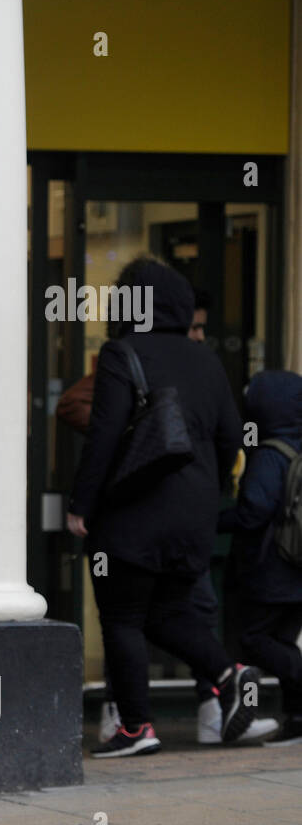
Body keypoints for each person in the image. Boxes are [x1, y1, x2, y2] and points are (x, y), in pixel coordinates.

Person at [56, 291, 276, 744]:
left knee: (129, 618)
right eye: (192, 326)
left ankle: (141, 724)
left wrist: (84, 502)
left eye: (199, 329)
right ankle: (219, 683)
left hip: (138, 519)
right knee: (163, 616)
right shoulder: (183, 364)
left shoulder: (134, 356)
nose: (195, 336)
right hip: (188, 519)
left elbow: (101, 436)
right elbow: (234, 436)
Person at [220, 370, 302, 745]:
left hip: (273, 568)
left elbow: (254, 510)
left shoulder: (271, 453)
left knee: (253, 640)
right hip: (294, 568)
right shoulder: (297, 446)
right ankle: (297, 720)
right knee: (282, 641)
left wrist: (214, 521)